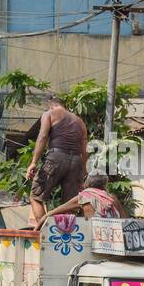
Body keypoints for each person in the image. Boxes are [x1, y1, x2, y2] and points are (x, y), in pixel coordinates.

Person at [27, 94, 88, 225]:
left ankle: (46, 232)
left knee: (36, 197)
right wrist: (83, 172)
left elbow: (43, 136)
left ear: (51, 106)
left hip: (56, 157)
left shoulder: (49, 113)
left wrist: (33, 163)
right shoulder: (79, 121)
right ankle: (66, 237)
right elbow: (84, 149)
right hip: (76, 161)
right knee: (70, 204)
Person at [35, 171, 123, 224]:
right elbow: (124, 219)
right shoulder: (112, 198)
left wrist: (36, 230)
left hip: (93, 240)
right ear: (105, 184)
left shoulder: (84, 196)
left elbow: (50, 214)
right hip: (114, 242)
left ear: (87, 183)